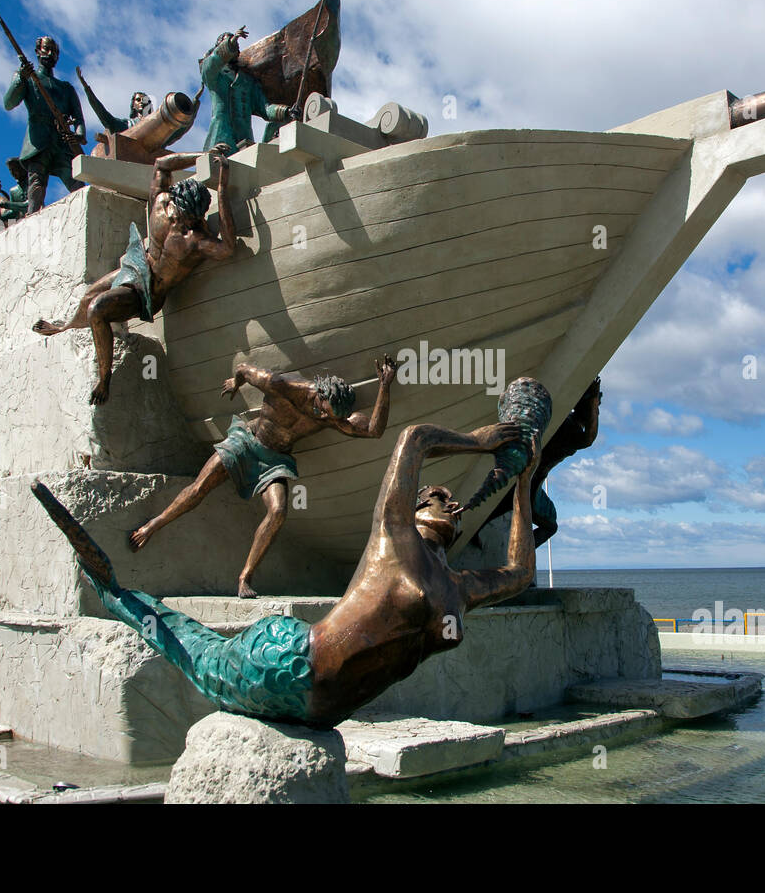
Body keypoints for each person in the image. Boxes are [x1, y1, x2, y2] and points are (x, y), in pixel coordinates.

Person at [31, 416, 538, 727]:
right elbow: (414, 437)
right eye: (436, 494)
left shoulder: (457, 587)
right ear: (415, 507)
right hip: (288, 662)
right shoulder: (395, 538)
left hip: (324, 709)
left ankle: (118, 592)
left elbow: (518, 572)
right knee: (191, 647)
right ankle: (115, 591)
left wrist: (522, 482)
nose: (449, 500)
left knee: (194, 649)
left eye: (451, 499)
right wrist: (479, 441)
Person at [128, 356, 397, 598]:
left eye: (330, 416)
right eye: (321, 409)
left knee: (279, 511)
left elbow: (373, 430)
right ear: (319, 394)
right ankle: (153, 525)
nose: (324, 417)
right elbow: (244, 369)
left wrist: (385, 385)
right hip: (247, 441)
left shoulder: (332, 415)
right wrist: (235, 383)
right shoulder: (284, 385)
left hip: (275, 460)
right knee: (200, 488)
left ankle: (245, 577)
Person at [32, 151, 242, 405]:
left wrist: (221, 189)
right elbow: (162, 164)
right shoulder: (160, 201)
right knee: (88, 295)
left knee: (97, 309)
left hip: (148, 293)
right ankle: (65, 327)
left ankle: (104, 379)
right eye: (180, 214)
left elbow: (229, 248)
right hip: (136, 265)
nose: (180, 222)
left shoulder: (196, 239)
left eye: (189, 220)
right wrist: (206, 156)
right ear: (173, 201)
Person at [480, 376, 602, 548]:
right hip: (531, 477)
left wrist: (593, 400)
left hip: (529, 472)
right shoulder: (571, 430)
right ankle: (520, 552)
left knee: (502, 506)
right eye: (595, 411)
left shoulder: (565, 421)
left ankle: (478, 531)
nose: (596, 413)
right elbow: (588, 439)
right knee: (547, 524)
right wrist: (594, 402)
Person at [2, 35, 86, 215]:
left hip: (62, 142)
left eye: (54, 51)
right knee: (37, 183)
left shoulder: (66, 88)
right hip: (38, 141)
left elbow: (79, 119)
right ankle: (32, 217)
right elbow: (9, 103)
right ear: (37, 52)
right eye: (46, 49)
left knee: (78, 184)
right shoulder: (28, 79)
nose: (50, 54)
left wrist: (77, 136)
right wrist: (21, 79)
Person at [199, 28, 299, 154]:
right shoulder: (214, 76)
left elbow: (266, 109)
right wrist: (230, 43)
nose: (236, 48)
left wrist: (286, 111)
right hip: (220, 139)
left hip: (244, 142)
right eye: (232, 44)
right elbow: (211, 63)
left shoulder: (247, 82)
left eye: (237, 45)